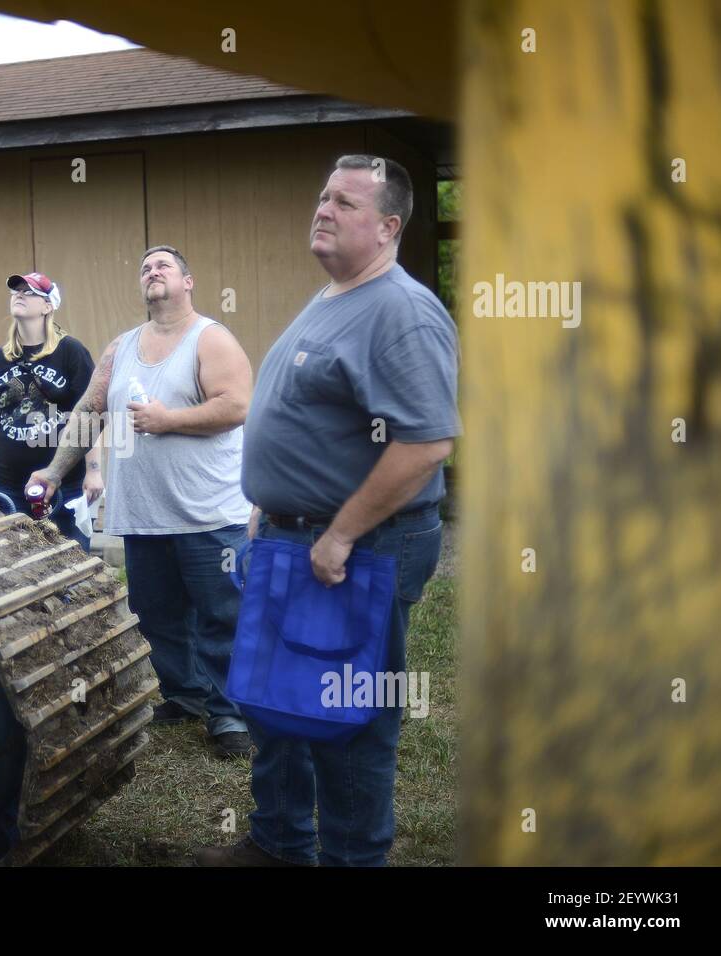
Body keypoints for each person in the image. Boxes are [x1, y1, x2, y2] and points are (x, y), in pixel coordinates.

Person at [195, 155, 460, 866]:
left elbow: (426, 442)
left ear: (388, 226)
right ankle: (279, 843)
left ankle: (353, 858)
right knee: (279, 702)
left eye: (345, 202)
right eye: (322, 196)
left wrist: (338, 533)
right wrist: (274, 508)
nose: (324, 208)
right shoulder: (335, 295)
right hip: (294, 538)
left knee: (349, 724)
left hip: (356, 554)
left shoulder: (401, 311)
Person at [25, 246, 256, 758]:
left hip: (209, 515)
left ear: (188, 281)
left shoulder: (209, 338)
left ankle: (231, 715)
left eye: (164, 266)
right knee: (158, 616)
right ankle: (186, 695)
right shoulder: (120, 347)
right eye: (146, 267)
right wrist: (53, 469)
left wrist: (168, 420)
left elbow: (237, 404)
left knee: (223, 618)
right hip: (144, 516)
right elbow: (88, 413)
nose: (153, 272)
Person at [0, 271, 102, 550]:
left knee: (71, 562)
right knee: (18, 566)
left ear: (48, 306)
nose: (19, 294)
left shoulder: (71, 352)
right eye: (16, 291)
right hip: (10, 486)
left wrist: (93, 471)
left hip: (65, 483)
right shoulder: (0, 359)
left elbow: (91, 416)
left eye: (29, 291)